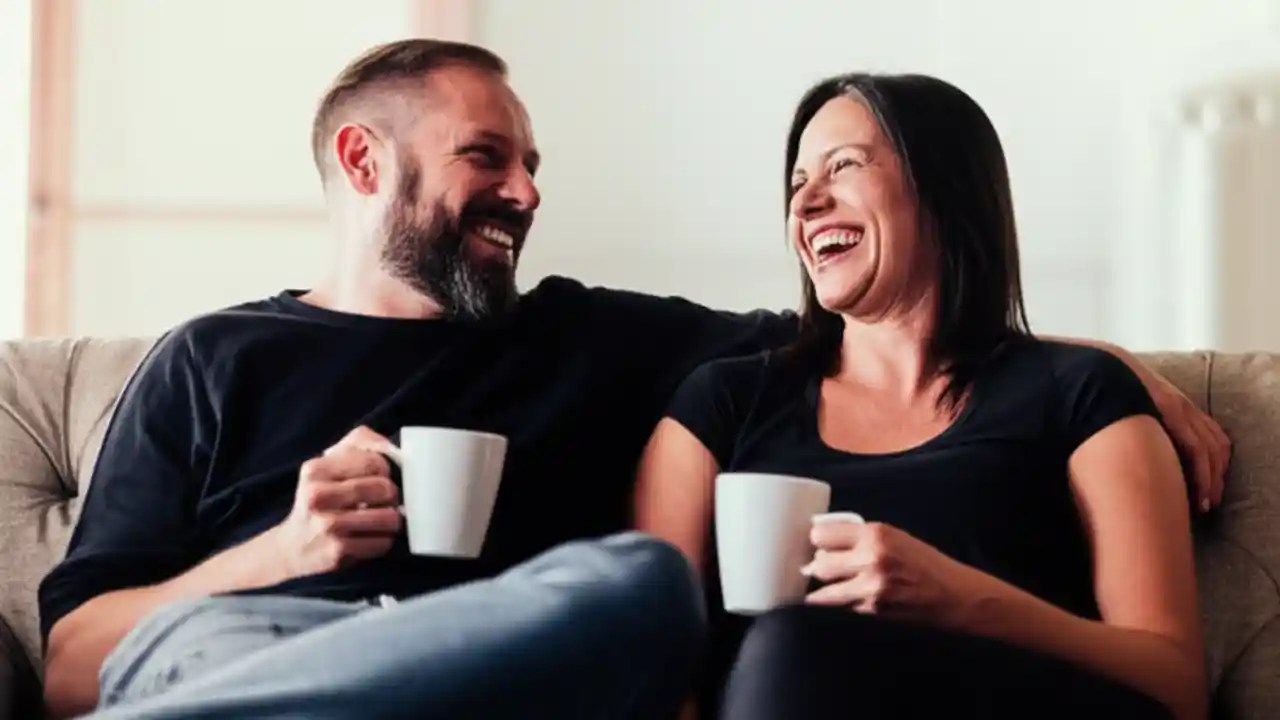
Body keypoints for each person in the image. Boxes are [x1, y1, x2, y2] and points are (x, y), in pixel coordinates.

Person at [38, 40, 1222, 719]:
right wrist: (282, 555)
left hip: (483, 680)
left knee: (636, 592)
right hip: (240, 650)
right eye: (484, 158)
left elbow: (881, 325)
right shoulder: (208, 359)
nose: (527, 191)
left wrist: (1116, 366)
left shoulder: (595, 339)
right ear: (363, 160)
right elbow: (74, 666)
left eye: (532, 164)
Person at [635, 74, 1209, 720]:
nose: (806, 204)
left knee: (792, 645)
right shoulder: (723, 403)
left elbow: (1177, 687)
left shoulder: (1081, 394)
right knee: (785, 648)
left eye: (843, 166)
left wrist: (960, 600)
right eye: (796, 185)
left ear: (943, 189)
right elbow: (654, 665)